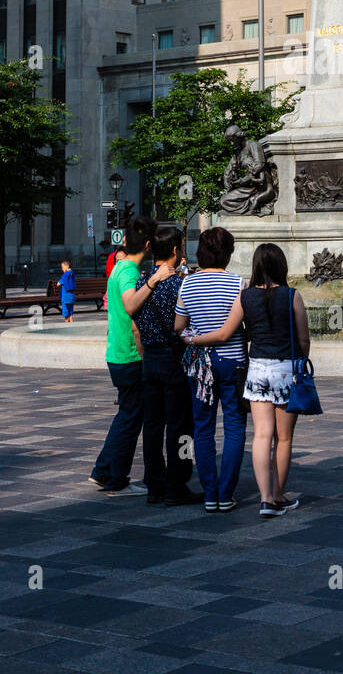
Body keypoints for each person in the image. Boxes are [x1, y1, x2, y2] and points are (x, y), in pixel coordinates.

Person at [186, 242, 310, 518]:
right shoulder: (292, 296)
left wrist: (192, 339)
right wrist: (300, 361)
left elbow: (226, 333)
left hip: (256, 369)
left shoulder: (245, 297)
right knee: (284, 438)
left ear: (255, 267)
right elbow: (303, 338)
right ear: (281, 266)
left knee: (261, 435)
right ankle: (278, 495)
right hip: (285, 369)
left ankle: (265, 499)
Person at [89, 217, 173, 496]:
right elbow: (129, 306)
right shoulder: (128, 271)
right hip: (128, 354)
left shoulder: (121, 267)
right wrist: (152, 281)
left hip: (118, 351)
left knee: (128, 414)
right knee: (130, 417)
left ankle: (104, 471)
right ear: (148, 245)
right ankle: (115, 479)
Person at [173, 226, 247, 513]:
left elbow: (179, 327)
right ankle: (226, 493)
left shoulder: (187, 284)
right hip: (233, 361)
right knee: (234, 426)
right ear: (227, 254)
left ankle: (210, 493)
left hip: (200, 365)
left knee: (202, 428)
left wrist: (193, 335)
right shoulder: (237, 284)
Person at [133, 225, 202, 508]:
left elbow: (136, 325)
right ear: (175, 251)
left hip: (150, 358)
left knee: (152, 424)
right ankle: (178, 482)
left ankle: (154, 484)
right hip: (175, 359)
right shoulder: (180, 285)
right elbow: (189, 326)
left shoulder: (143, 282)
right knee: (181, 425)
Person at [58, 259, 76, 323]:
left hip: (65, 297)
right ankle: (72, 323)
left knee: (66, 313)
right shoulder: (72, 273)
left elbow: (58, 284)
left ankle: (66, 324)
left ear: (67, 266)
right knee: (70, 313)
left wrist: (59, 283)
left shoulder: (65, 275)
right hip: (72, 296)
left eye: (62, 267)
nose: (62, 269)